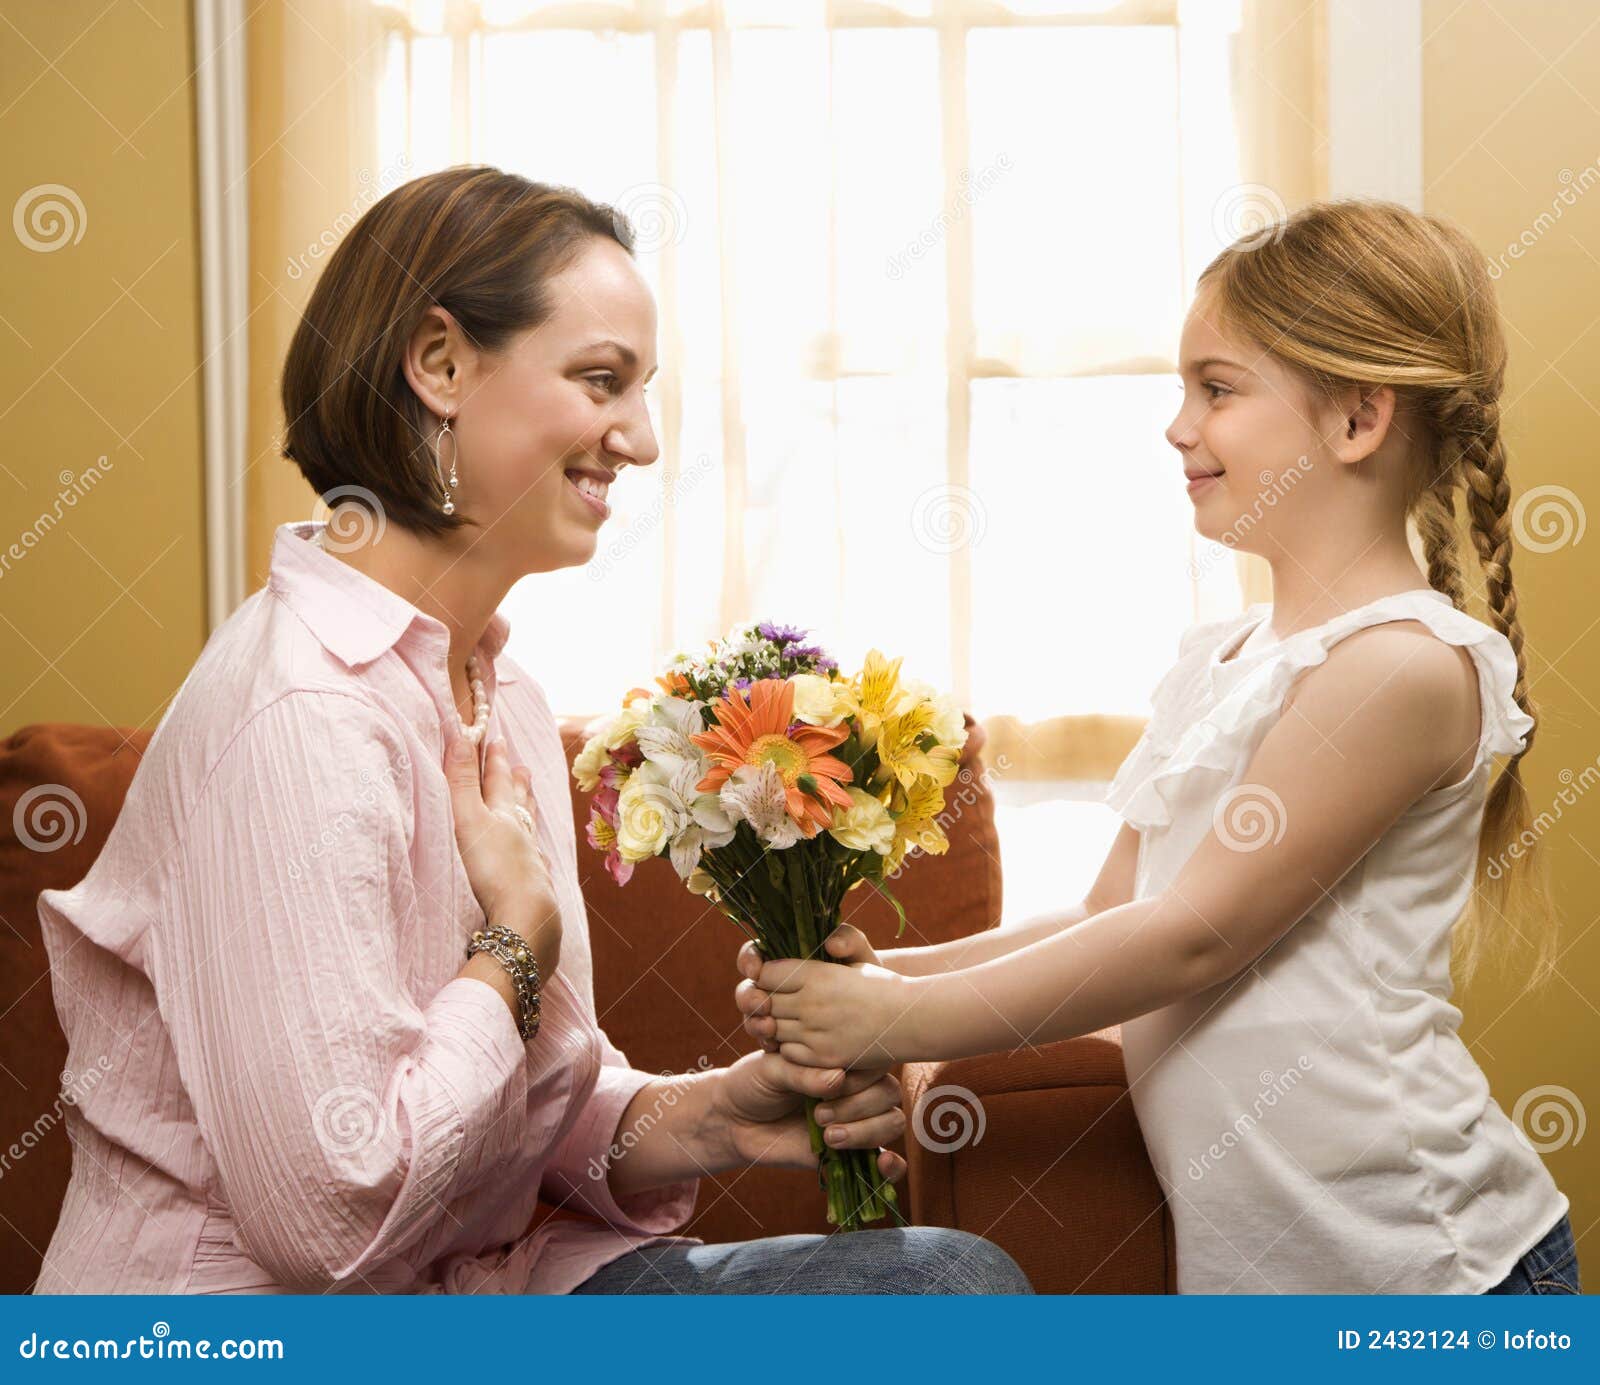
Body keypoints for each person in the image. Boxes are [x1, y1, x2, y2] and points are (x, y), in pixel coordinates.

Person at [34, 165, 1031, 1297]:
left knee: (938, 1279)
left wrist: (724, 1112)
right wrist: (514, 937)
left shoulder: (494, 694)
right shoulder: (297, 712)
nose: (642, 441)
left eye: (643, 390)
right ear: (442, 363)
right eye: (602, 380)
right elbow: (328, 1225)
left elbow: (534, 1108)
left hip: (488, 1287)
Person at [737, 200, 1576, 1295]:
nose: (1177, 426)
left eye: (1216, 390)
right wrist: (885, 975)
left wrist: (897, 1017)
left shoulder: (1401, 667)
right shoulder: (1223, 658)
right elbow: (1108, 915)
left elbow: (1191, 938)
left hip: (1425, 1271)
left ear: (1357, 418)